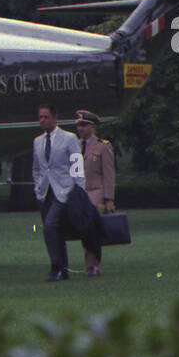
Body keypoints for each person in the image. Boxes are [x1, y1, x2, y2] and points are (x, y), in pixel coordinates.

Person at [31, 103, 85, 281]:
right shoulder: (37, 141)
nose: (42, 120)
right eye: (40, 117)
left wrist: (79, 191)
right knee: (56, 231)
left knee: (50, 226)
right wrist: (38, 186)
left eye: (46, 117)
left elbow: (77, 165)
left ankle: (55, 267)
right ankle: (63, 269)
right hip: (45, 191)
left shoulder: (69, 138)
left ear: (55, 118)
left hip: (64, 191)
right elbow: (37, 168)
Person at [74, 109, 115, 276]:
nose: (80, 128)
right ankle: (89, 266)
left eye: (84, 125)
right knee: (84, 231)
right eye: (79, 125)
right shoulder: (75, 145)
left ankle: (94, 265)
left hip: (96, 194)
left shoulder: (102, 146)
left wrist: (109, 198)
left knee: (93, 231)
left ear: (92, 127)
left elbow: (109, 174)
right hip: (80, 195)